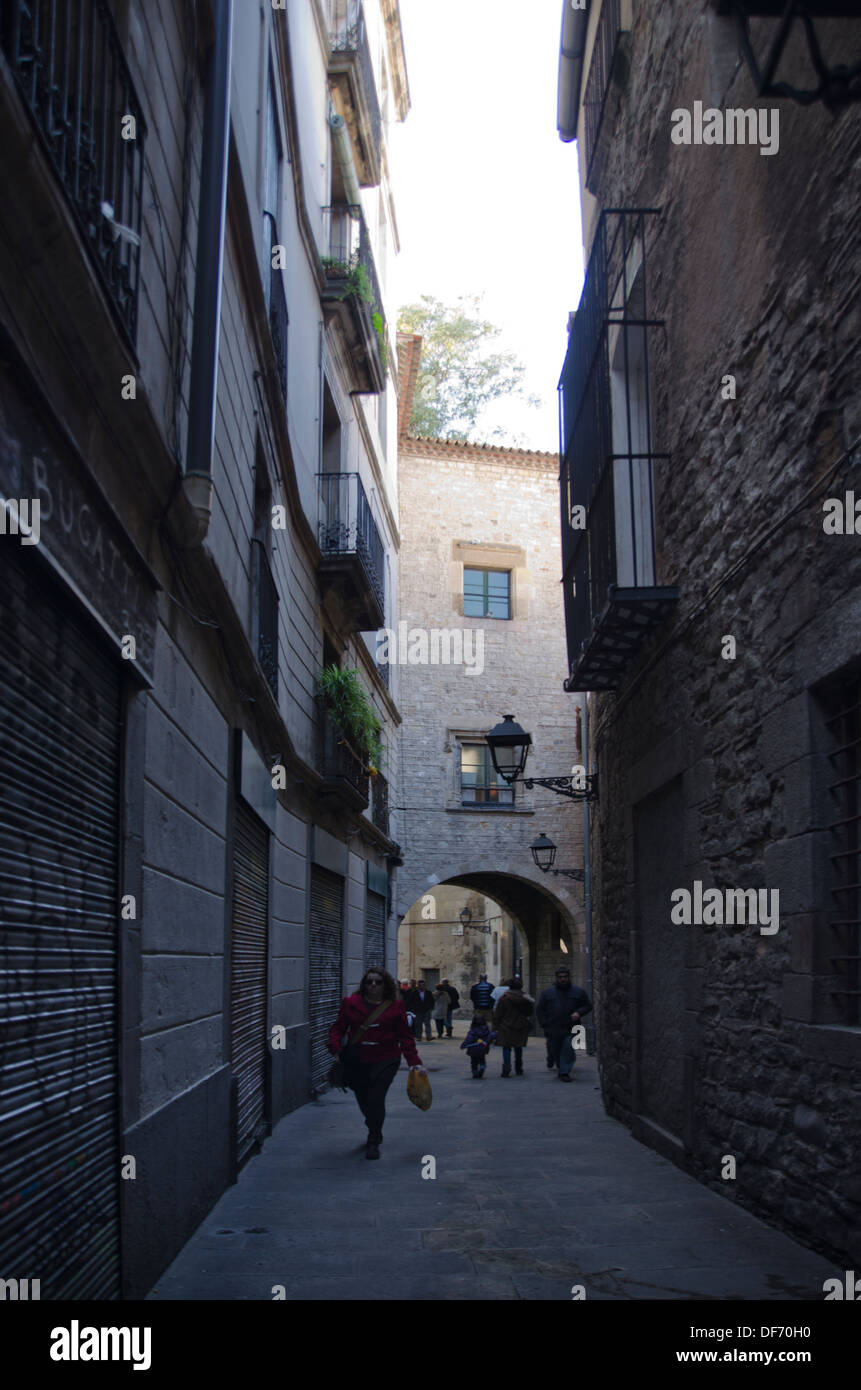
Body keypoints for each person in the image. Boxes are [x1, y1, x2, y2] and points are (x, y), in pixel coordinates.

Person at [328, 967, 426, 1158]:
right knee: (364, 1100)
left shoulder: (395, 1006)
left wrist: (414, 1062)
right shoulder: (351, 1003)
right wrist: (336, 1049)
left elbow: (405, 1037)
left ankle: (373, 1138)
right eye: (369, 981)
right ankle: (374, 1124)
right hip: (358, 1059)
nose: (373, 985)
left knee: (376, 1097)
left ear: (385, 985)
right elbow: (337, 1028)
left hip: (386, 1059)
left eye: (377, 982)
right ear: (364, 984)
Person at [536, 967, 592, 1082]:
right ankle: (559, 1064)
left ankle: (564, 1072)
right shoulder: (547, 993)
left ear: (568, 977)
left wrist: (578, 1012)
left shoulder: (578, 992)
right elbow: (540, 1009)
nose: (563, 979)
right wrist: (544, 1023)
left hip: (571, 1026)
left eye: (565, 977)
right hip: (553, 1026)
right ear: (557, 978)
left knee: (568, 1048)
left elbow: (588, 1006)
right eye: (560, 977)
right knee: (556, 1049)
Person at [492, 977, 535, 1077]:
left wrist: (495, 1026)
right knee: (518, 1047)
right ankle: (519, 1067)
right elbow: (530, 1012)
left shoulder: (504, 998)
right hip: (520, 1025)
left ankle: (506, 1067)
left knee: (506, 1047)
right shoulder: (525, 998)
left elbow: (498, 1013)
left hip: (506, 1025)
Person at [460, 1013, 496, 1079]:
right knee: (482, 1060)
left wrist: (463, 1045)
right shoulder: (486, 1031)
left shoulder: (472, 1031)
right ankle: (482, 1067)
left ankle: (475, 1071)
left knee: (474, 1062)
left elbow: (468, 1039)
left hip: (473, 1049)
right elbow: (491, 1036)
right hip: (482, 1049)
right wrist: (495, 1034)